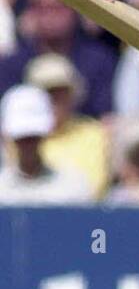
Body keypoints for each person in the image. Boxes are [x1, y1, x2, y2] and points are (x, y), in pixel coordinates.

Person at [23, 53, 110, 199]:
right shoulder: (21, 136)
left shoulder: (93, 133)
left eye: (61, 91)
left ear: (73, 93)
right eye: (48, 92)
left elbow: (95, 187)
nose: (55, 99)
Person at [0, 82, 91, 205]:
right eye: (21, 138)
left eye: (33, 137)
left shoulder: (73, 186)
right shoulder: (2, 189)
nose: (28, 144)